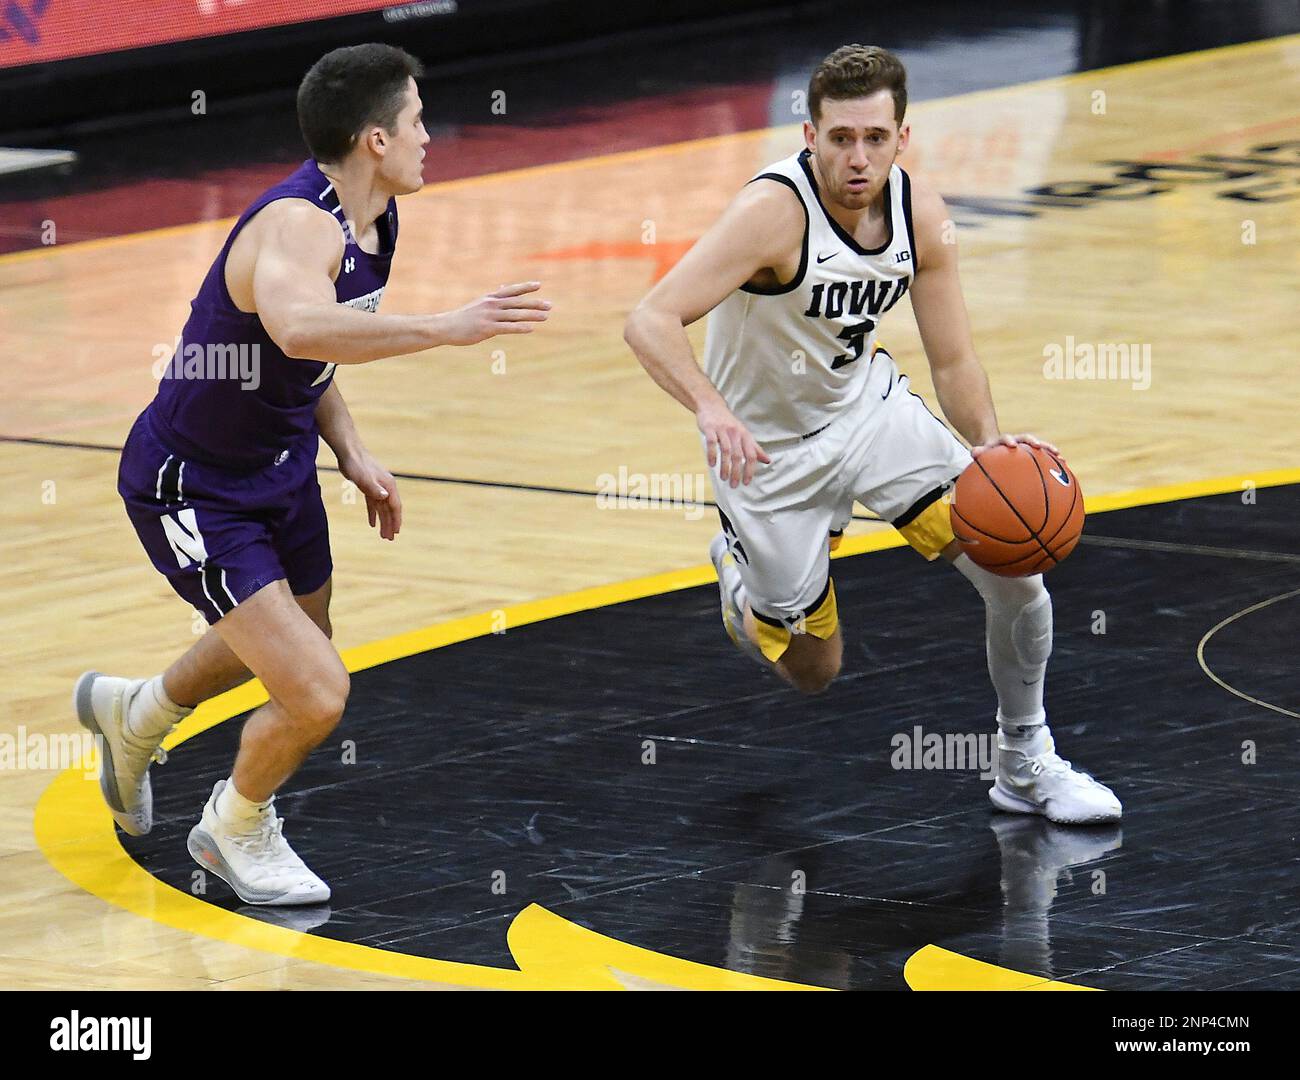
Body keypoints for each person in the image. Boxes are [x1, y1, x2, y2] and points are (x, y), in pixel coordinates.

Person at [75, 43, 551, 904]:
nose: (429, 137)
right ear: (375, 138)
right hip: (197, 480)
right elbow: (299, 328)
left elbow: (311, 360)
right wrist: (451, 326)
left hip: (282, 465)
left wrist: (351, 448)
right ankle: (233, 827)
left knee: (297, 643)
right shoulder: (300, 224)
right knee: (318, 691)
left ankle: (135, 715)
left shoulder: (378, 221)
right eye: (416, 121)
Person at [624, 44, 1119, 825]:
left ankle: (1024, 763)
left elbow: (953, 358)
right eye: (842, 138)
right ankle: (743, 586)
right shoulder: (771, 215)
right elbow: (648, 319)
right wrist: (709, 408)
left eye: (875, 138)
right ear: (810, 135)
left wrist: (989, 449)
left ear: (903, 138)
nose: (859, 157)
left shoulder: (920, 213)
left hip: (869, 415)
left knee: (1018, 579)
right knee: (815, 671)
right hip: (767, 456)